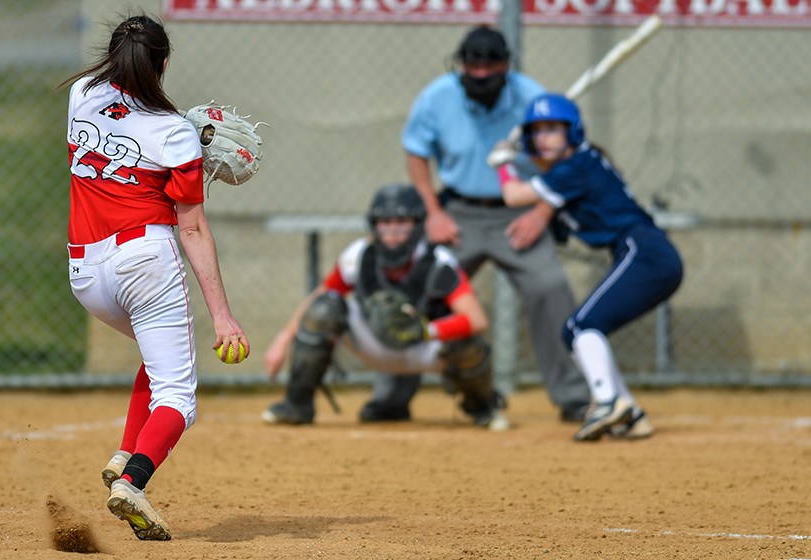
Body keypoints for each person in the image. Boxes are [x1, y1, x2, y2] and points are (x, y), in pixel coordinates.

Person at [60, 14, 249, 541]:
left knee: (158, 354)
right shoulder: (174, 132)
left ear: (113, 57)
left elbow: (124, 116)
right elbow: (192, 228)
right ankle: (133, 483)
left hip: (85, 272)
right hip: (144, 262)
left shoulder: (80, 94)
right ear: (163, 64)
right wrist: (223, 317)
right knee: (178, 397)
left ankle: (126, 453)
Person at [374, 24, 592, 424]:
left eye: (490, 66)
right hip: (458, 213)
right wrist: (432, 212)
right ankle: (391, 396)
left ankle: (573, 396)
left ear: (506, 66)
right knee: (419, 289)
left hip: (519, 213)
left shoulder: (530, 97)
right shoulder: (438, 97)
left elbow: (564, 159)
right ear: (460, 65)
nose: (480, 74)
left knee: (550, 288)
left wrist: (542, 213)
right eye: (472, 66)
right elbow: (416, 152)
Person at [496, 93, 684, 441]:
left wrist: (503, 164)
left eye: (552, 129)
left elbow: (514, 195)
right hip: (642, 252)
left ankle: (607, 402)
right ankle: (628, 414)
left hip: (644, 250)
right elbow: (545, 191)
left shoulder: (577, 165)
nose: (543, 138)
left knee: (582, 325)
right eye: (536, 131)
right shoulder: (571, 168)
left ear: (573, 131)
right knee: (575, 332)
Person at [262, 183, 508, 430]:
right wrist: (282, 340)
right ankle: (297, 404)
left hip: (421, 348)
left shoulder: (437, 261)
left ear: (417, 224)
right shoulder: (358, 255)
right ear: (374, 225)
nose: (392, 231)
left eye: (402, 222)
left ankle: (482, 406)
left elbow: (477, 320)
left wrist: (426, 330)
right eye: (385, 222)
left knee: (469, 346)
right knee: (324, 308)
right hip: (373, 343)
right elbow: (319, 298)